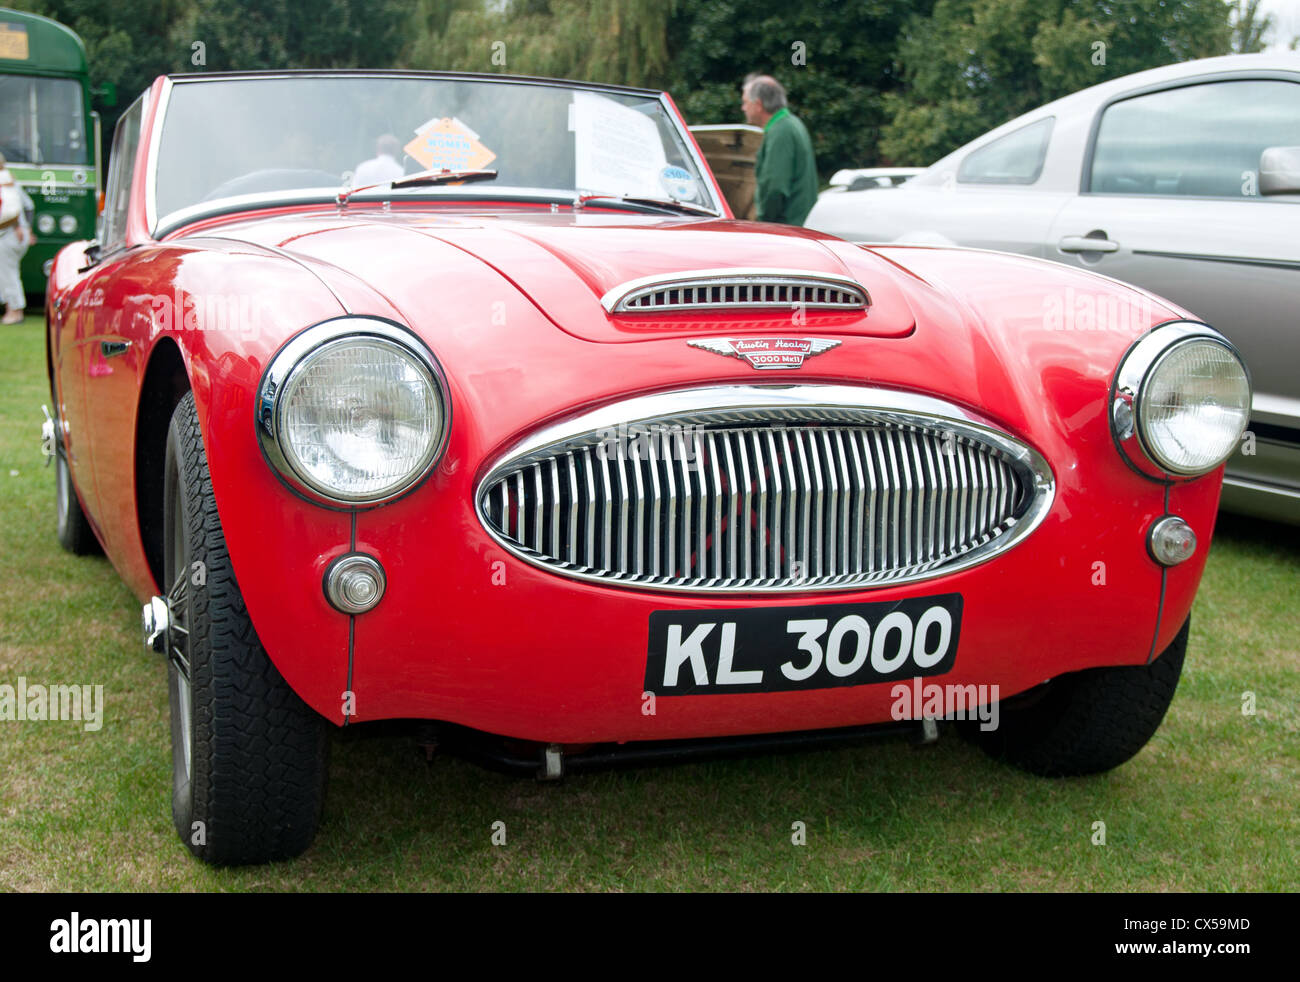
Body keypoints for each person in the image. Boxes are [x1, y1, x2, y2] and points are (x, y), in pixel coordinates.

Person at [741, 74, 819, 226]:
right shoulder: (791, 123)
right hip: (799, 225)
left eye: (745, 102)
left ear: (758, 104)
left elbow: (775, 187)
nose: (743, 108)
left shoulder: (781, 131)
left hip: (787, 227)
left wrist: (763, 222)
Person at [0, 152, 34, 324]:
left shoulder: (4, 183)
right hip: (17, 233)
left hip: (9, 234)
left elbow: (9, 213)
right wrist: (28, 228)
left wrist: (19, 226)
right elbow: (29, 206)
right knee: (7, 272)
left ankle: (15, 311)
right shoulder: (10, 181)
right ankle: (11, 309)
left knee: (8, 273)